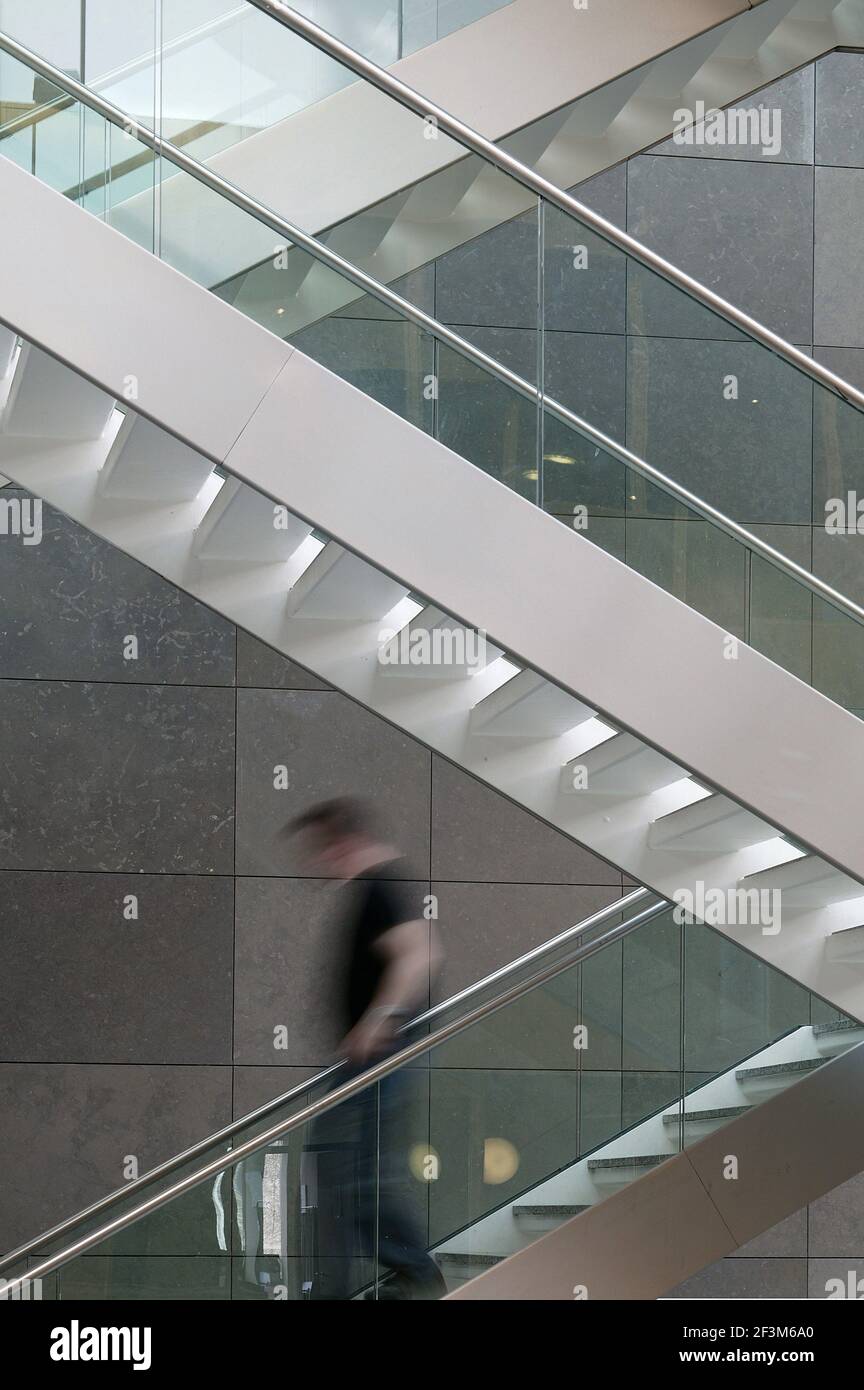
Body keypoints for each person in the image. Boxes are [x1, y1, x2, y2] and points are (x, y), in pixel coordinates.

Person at [291, 798, 447, 1301]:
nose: (316, 863)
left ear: (341, 841)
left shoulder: (381, 885)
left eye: (319, 849)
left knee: (354, 1172)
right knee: (335, 1165)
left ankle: (419, 1278)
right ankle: (354, 1284)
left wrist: (379, 1020)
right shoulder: (371, 890)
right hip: (370, 1058)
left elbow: (421, 954)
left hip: (383, 1055)